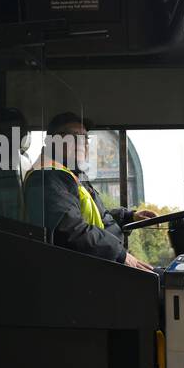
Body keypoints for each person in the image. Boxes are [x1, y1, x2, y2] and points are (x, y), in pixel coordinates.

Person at [24, 112, 156, 272]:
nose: (83, 143)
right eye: (74, 137)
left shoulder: (70, 173)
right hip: (88, 268)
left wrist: (129, 216)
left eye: (85, 138)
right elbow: (70, 230)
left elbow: (94, 218)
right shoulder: (46, 176)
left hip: (102, 259)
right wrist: (120, 255)